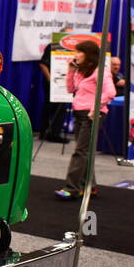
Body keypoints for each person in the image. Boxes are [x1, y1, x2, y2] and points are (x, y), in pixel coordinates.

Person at [55, 39, 117, 200]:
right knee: (85, 152)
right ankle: (90, 186)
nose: (76, 55)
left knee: (80, 152)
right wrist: (70, 70)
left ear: (88, 55)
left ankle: (72, 188)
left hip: (92, 115)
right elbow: (70, 89)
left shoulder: (101, 71)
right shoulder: (81, 71)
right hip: (79, 113)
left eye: (79, 52)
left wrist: (95, 108)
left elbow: (110, 92)